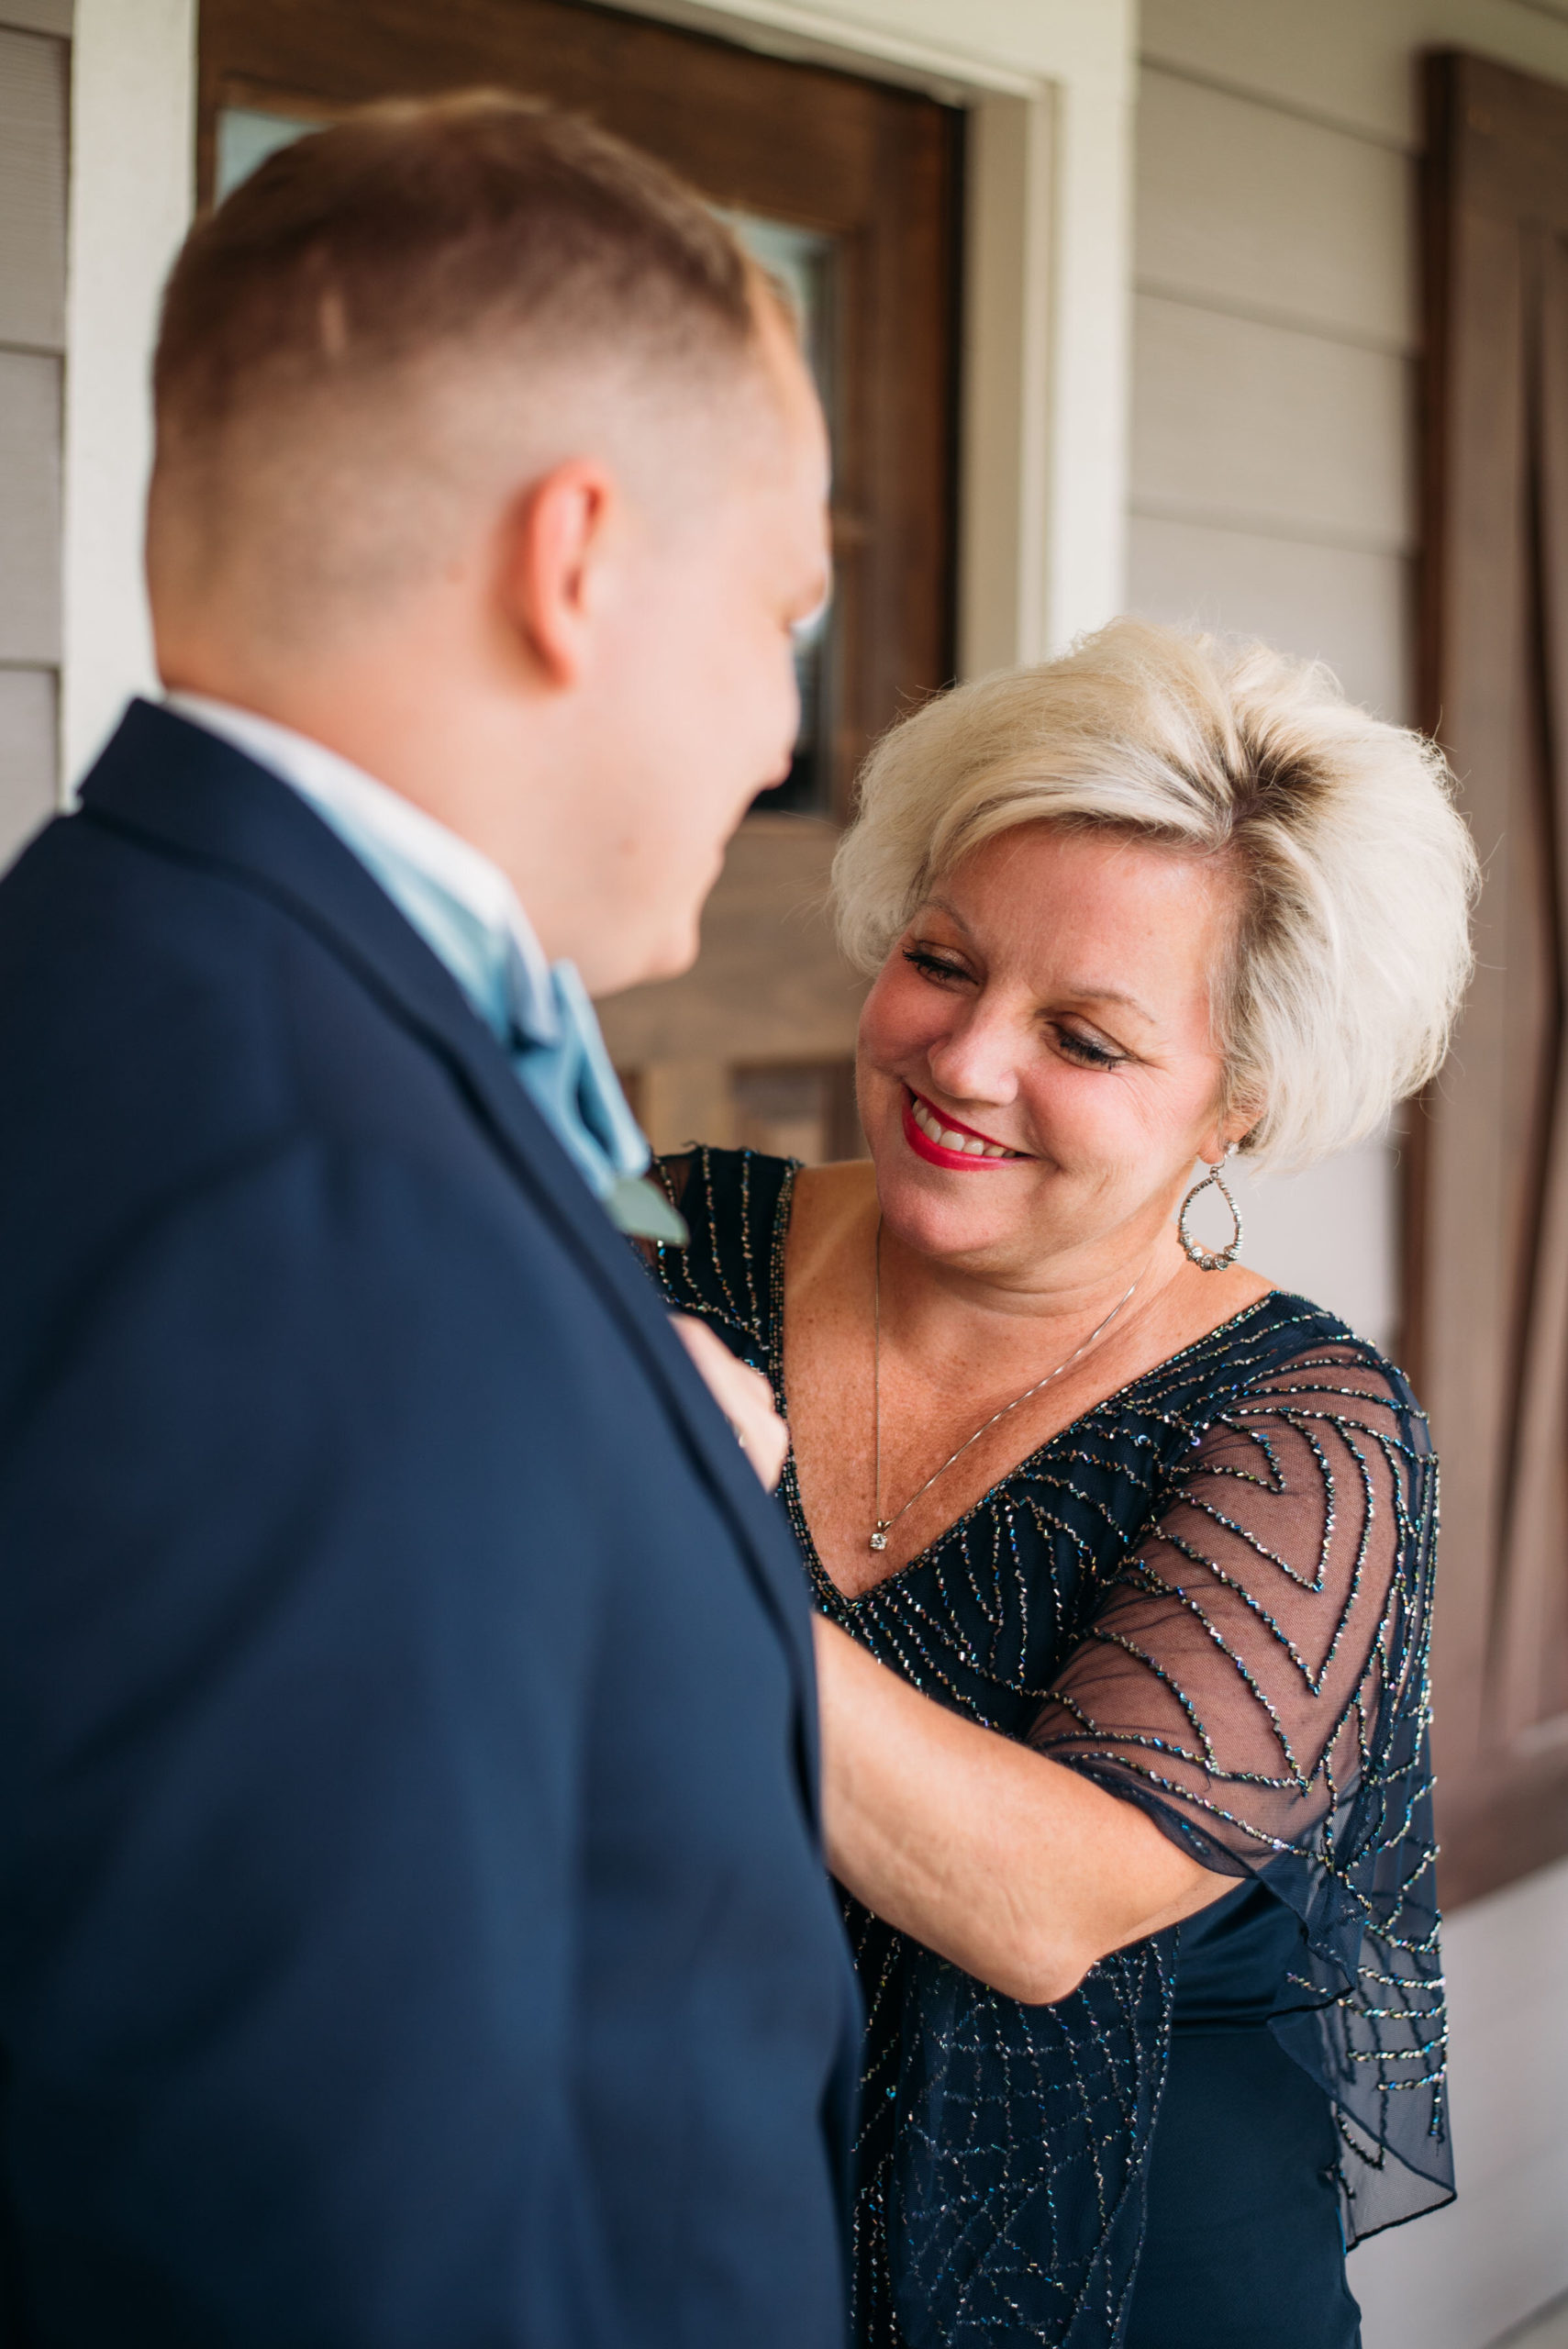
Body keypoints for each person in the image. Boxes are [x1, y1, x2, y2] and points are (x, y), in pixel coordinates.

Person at [0, 95, 857, 2345]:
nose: (785, 731)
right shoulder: (316, 1195)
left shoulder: (130, 981)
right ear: (569, 560)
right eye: (787, 612)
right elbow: (297, 2228)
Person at [649, 618, 1476, 2349]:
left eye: (1084, 1041)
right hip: (653, 2230)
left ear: (1232, 1105)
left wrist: (693, 1532)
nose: (962, 1061)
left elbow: (1038, 1910)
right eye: (943, 963)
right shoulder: (658, 1246)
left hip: (1121, 2280)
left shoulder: (1300, 1438)